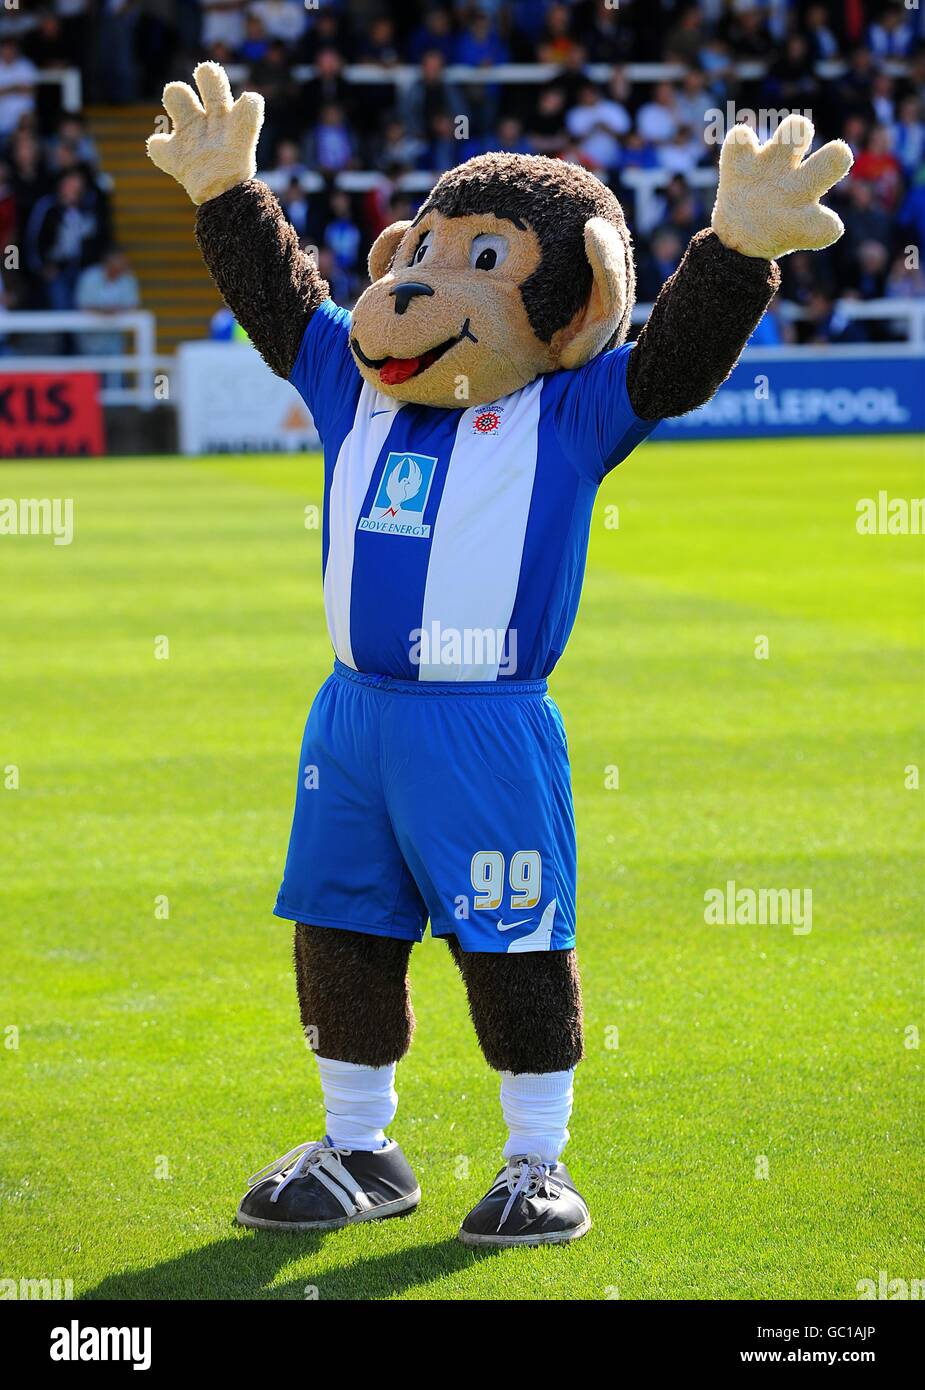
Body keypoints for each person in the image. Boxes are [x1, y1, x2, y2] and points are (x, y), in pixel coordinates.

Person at [75, 247, 140, 384]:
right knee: (90, 375)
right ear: (109, 263)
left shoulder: (128, 279)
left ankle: (114, 404)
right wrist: (107, 311)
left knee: (115, 375)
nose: (124, 267)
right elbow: (83, 304)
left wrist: (111, 311)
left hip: (114, 336)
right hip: (91, 337)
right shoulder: (90, 277)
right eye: (120, 263)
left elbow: (133, 305)